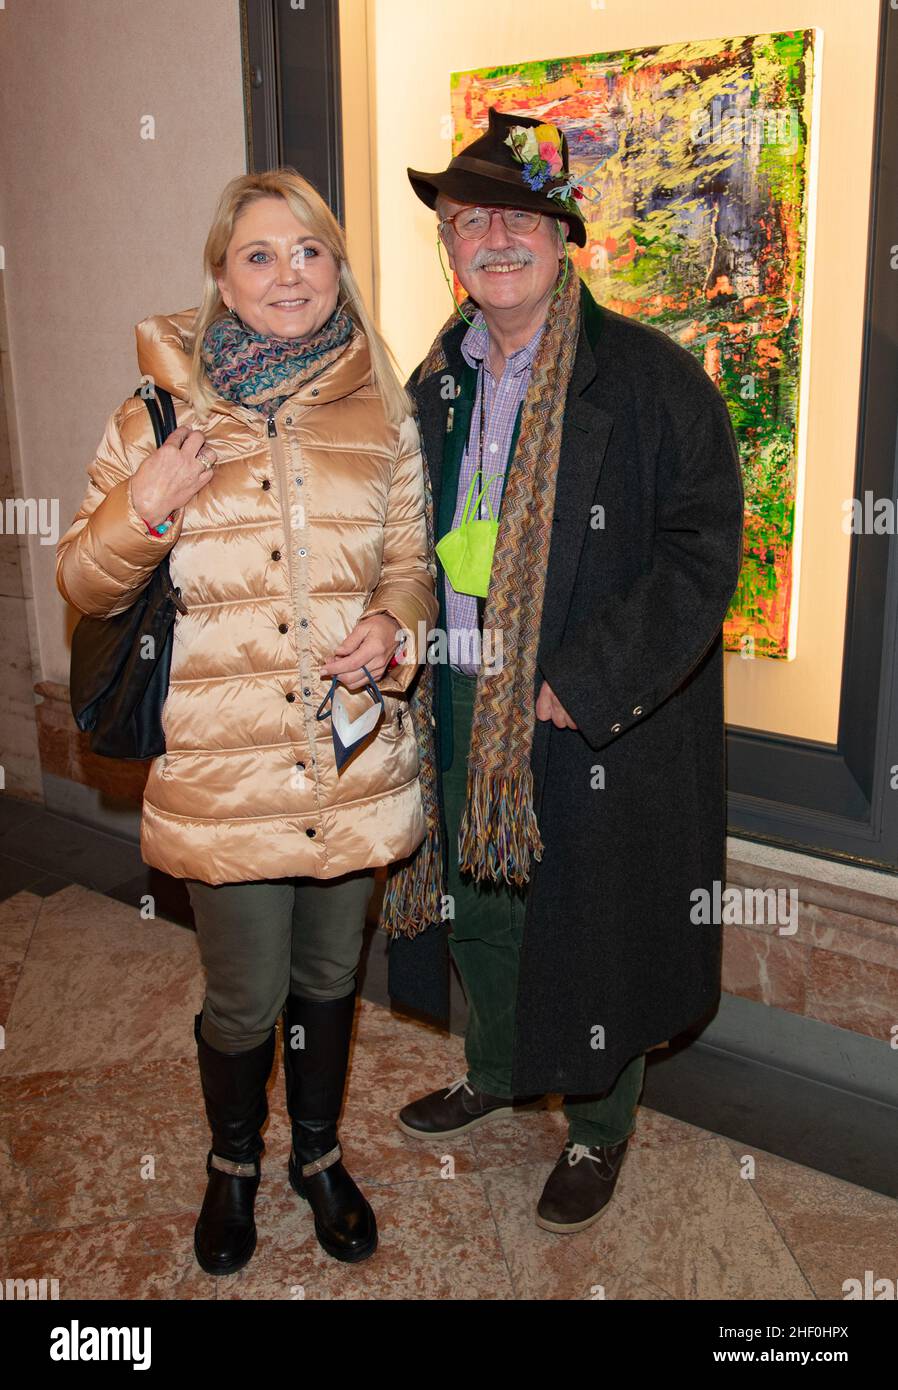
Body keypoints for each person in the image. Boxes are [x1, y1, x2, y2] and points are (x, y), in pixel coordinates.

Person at [56, 169, 438, 1273]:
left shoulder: (382, 406)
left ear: (337, 270)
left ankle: (316, 1156)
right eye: (259, 254)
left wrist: (390, 623)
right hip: (225, 773)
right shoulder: (158, 412)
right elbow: (84, 580)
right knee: (243, 997)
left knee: (329, 978)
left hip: (348, 756)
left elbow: (410, 562)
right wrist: (146, 506)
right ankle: (234, 1165)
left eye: (309, 251)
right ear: (221, 278)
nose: (288, 274)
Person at [380, 108, 745, 1233]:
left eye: (516, 217)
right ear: (446, 244)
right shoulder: (435, 381)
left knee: (588, 920)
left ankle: (597, 1124)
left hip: (580, 711)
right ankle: (494, 1069)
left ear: (560, 236)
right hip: (456, 690)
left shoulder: (649, 379)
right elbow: (400, 529)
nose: (491, 237)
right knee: (480, 905)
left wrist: (582, 680)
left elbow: (700, 551)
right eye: (466, 218)